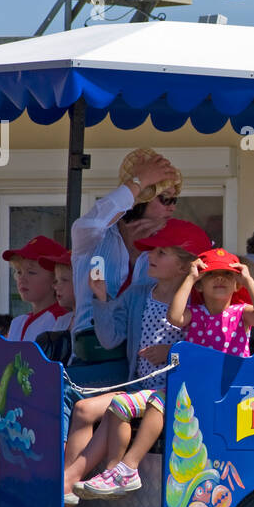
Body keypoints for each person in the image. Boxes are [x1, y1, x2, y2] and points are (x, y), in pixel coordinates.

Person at [64, 219, 210, 503]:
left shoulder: (200, 302)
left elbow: (210, 347)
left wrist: (171, 351)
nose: (150, 257)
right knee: (83, 409)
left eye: (161, 253)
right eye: (152, 251)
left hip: (173, 396)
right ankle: (74, 488)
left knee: (115, 411)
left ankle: (72, 484)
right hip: (139, 392)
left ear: (185, 266)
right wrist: (101, 297)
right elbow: (110, 339)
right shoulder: (140, 293)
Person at [68, 148, 181, 387]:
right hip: (93, 357)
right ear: (142, 198)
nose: (172, 207)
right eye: (165, 199)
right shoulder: (95, 238)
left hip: (140, 365)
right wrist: (138, 182)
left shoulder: (167, 252)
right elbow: (92, 222)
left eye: (175, 200)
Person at [168, 247, 254, 357]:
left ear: (237, 285)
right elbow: (174, 317)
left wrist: (248, 280)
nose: (219, 278)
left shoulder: (241, 313)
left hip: (233, 374)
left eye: (227, 273)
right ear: (199, 285)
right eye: (211, 273)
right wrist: (191, 278)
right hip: (200, 373)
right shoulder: (194, 313)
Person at [1, 235, 69, 343]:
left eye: (31, 272)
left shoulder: (62, 320)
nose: (21, 279)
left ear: (55, 279)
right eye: (19, 272)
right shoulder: (17, 322)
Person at [35, 249, 76, 364]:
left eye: (64, 280)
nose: (56, 286)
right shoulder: (63, 321)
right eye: (56, 280)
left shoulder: (91, 322)